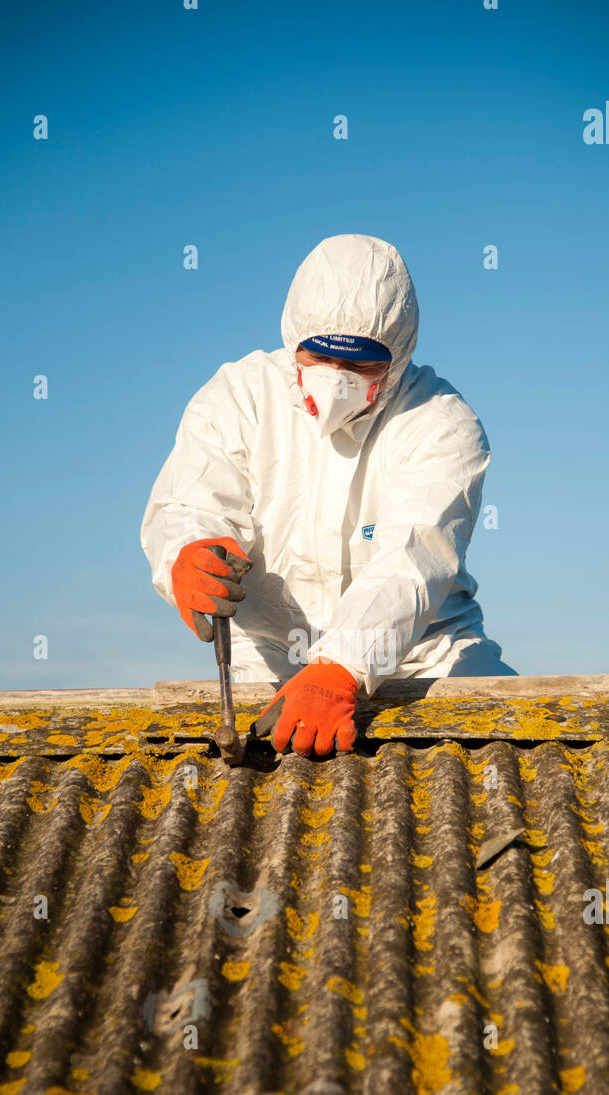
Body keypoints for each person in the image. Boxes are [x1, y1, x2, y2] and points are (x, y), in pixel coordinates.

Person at [141, 233, 516, 758]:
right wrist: (189, 551)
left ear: (400, 354)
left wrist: (342, 664)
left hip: (426, 662)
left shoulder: (441, 422)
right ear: (294, 337)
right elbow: (194, 502)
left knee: (514, 761)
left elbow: (414, 554)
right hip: (265, 662)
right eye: (318, 358)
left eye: (363, 366)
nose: (336, 382)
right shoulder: (237, 398)